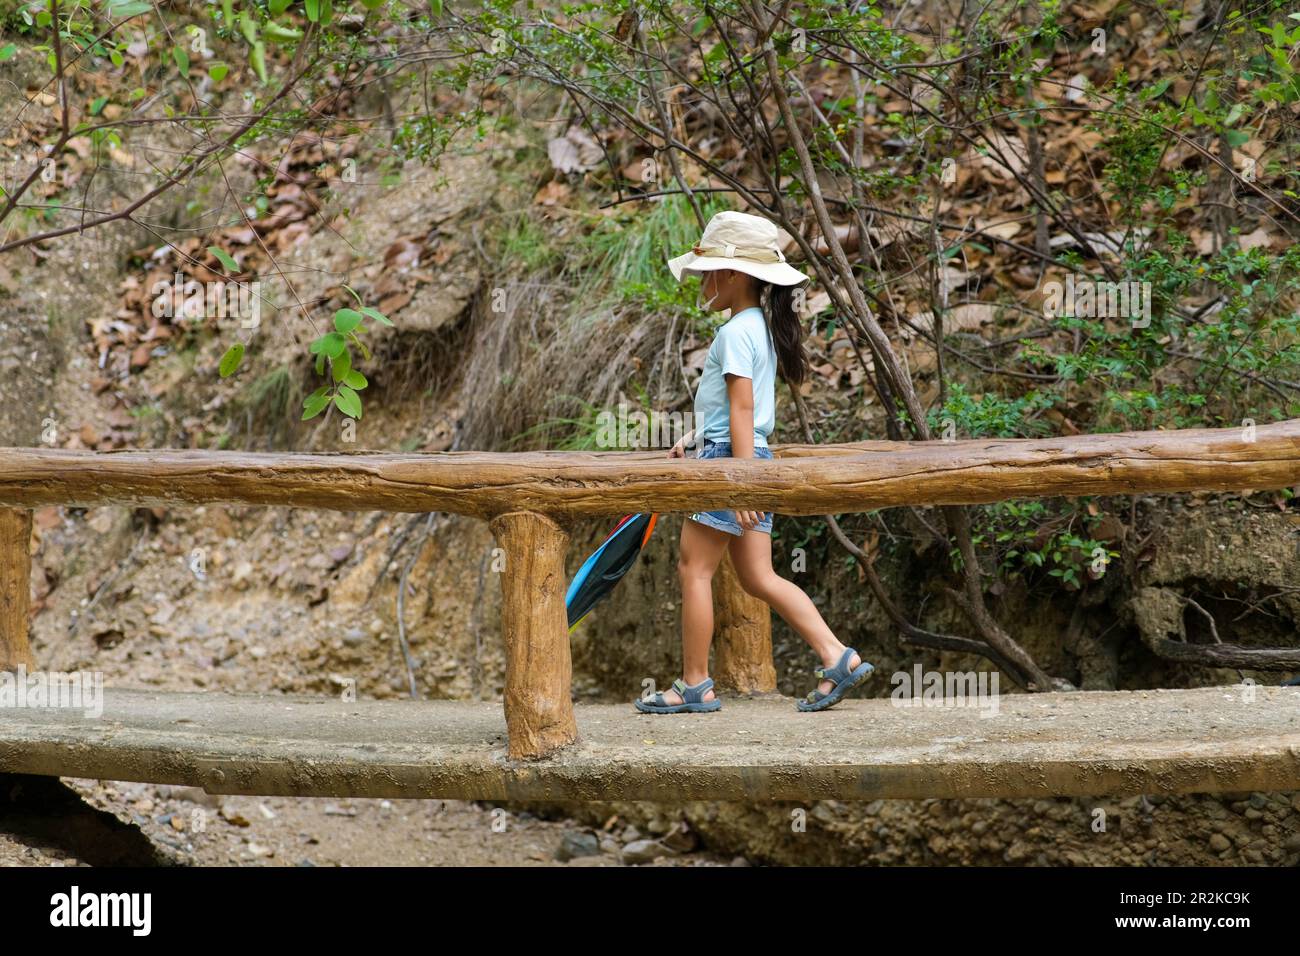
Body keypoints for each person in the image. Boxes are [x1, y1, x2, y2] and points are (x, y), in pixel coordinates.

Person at [635, 210, 874, 714]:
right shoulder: (754, 327)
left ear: (736, 274)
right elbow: (739, 409)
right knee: (758, 578)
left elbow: (743, 408)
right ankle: (837, 656)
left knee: (693, 570)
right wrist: (698, 437)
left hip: (735, 463)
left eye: (709, 269)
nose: (701, 279)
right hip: (747, 455)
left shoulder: (734, 333)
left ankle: (695, 683)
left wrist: (738, 481)